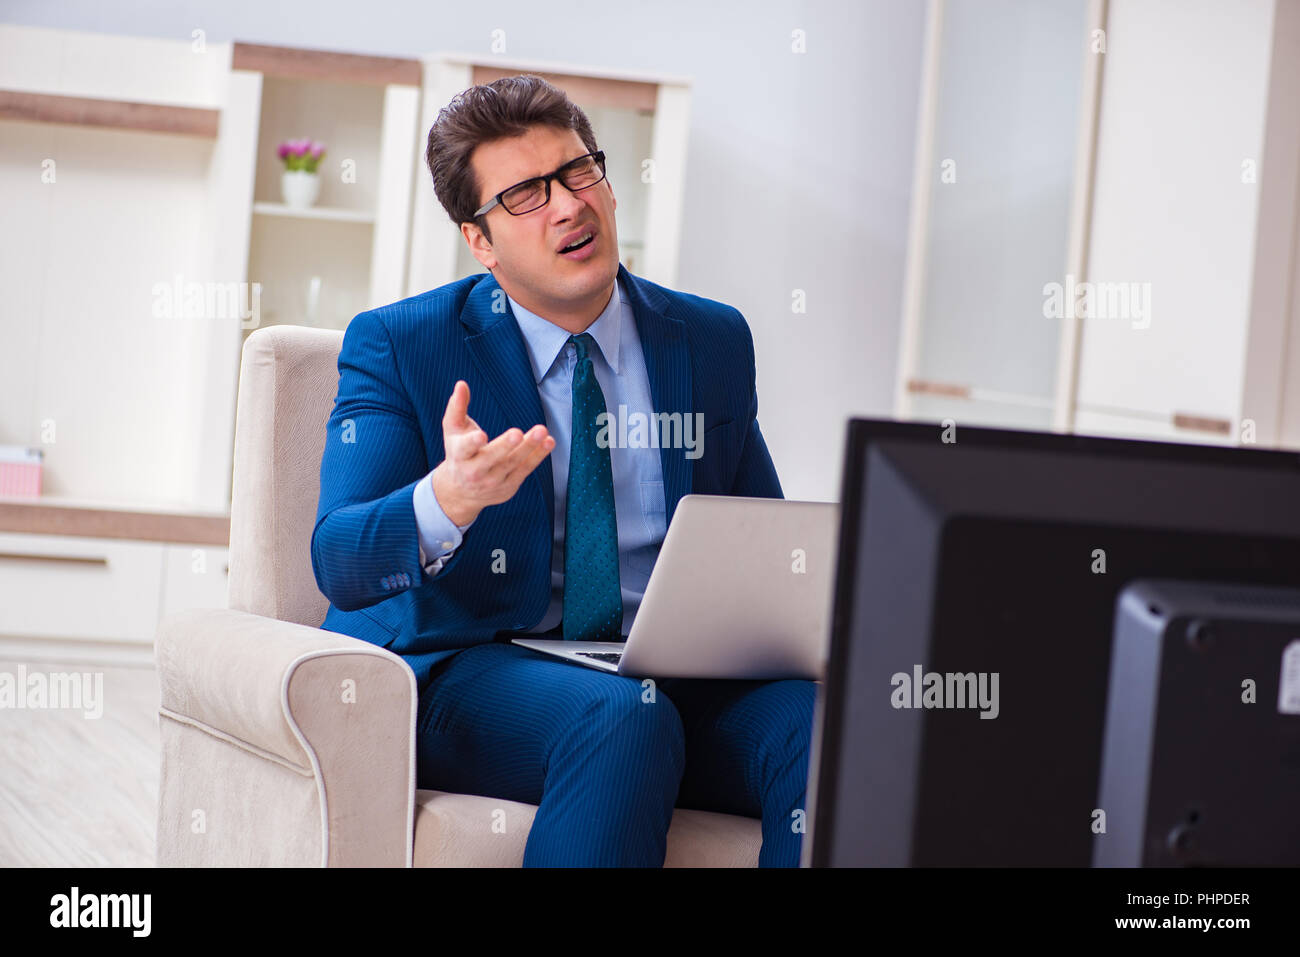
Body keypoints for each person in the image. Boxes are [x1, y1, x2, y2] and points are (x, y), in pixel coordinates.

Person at [311, 73, 815, 867]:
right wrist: (446, 500)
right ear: (480, 242)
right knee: (622, 718)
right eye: (526, 195)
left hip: (665, 673)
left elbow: (761, 540)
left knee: (829, 725)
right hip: (473, 667)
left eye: (580, 172)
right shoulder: (402, 344)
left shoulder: (711, 339)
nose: (569, 204)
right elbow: (338, 557)